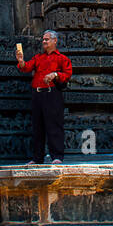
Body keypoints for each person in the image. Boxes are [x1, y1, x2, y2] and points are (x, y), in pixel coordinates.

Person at [16, 29, 73, 165]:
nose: (44, 42)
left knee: (54, 125)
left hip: (52, 93)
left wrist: (55, 75)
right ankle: (37, 158)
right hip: (37, 94)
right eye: (43, 39)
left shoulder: (62, 59)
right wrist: (21, 61)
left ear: (55, 41)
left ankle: (57, 156)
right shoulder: (38, 58)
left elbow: (67, 74)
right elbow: (26, 68)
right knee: (37, 127)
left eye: (47, 39)